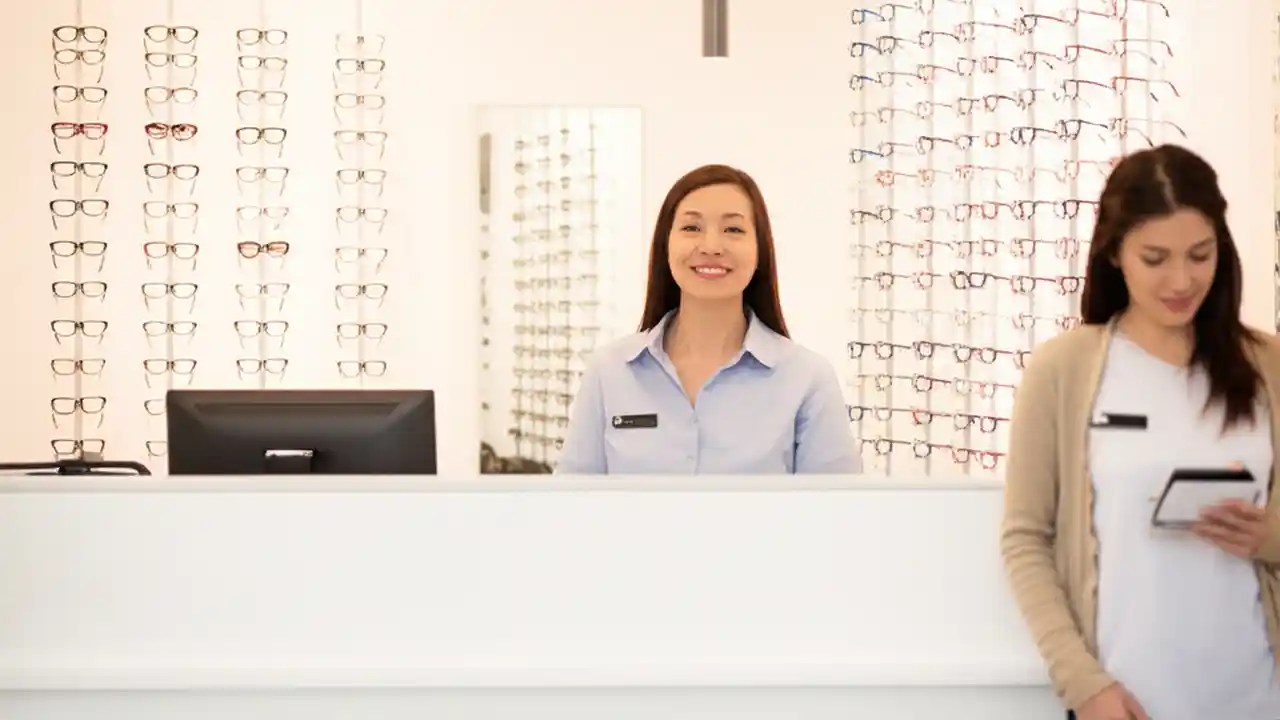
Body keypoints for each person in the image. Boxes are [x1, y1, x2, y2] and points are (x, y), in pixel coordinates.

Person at [1001, 143, 1280, 720]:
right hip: (1125, 701)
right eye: (1155, 259)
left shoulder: (1268, 365)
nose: (1181, 280)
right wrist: (1083, 684)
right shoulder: (1064, 369)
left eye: (1200, 255)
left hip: (1257, 692)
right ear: (1114, 254)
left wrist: (1269, 538)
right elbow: (1027, 539)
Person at [555, 164, 860, 474]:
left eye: (733, 230)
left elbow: (839, 512)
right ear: (666, 244)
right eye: (691, 228)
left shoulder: (807, 378)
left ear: (759, 251)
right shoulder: (608, 372)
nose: (712, 247)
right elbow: (567, 504)